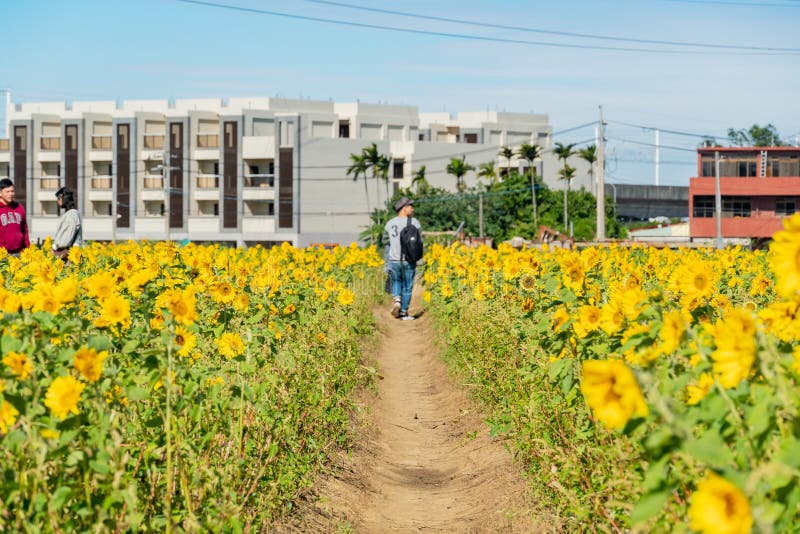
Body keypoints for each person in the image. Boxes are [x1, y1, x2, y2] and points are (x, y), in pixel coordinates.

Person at [384, 196, 422, 321]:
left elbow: (385, 242)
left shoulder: (389, 224)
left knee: (396, 281)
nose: (412, 209)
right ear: (404, 209)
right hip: (409, 260)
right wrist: (419, 259)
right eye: (410, 206)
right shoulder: (415, 222)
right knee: (407, 285)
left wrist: (387, 262)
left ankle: (397, 300)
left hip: (394, 259)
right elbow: (419, 242)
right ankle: (404, 313)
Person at [0, 178, 30, 256]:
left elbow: (25, 230)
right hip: (2, 254)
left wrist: (27, 248)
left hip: (19, 252)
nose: (10, 194)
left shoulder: (19, 208)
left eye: (12, 191)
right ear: (0, 193)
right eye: (7, 192)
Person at [52, 187, 82, 259]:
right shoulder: (73, 214)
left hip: (68, 256)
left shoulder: (70, 215)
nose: (58, 201)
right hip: (72, 254)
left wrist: (55, 246)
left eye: (59, 198)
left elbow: (65, 239)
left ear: (63, 198)